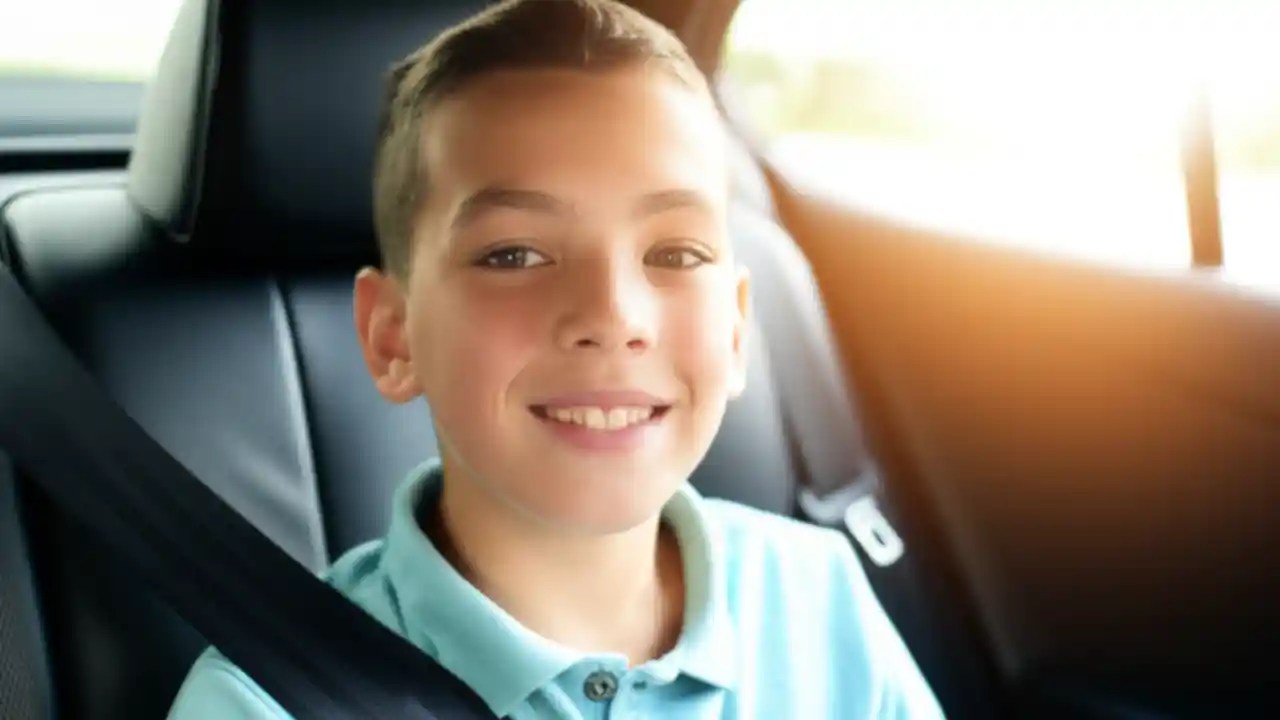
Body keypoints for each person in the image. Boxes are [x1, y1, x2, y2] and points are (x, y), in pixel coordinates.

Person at [167, 0, 943, 717]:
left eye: (675, 251)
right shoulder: (265, 701)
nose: (612, 317)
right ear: (393, 338)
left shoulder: (815, 597)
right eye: (513, 255)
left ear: (738, 333)